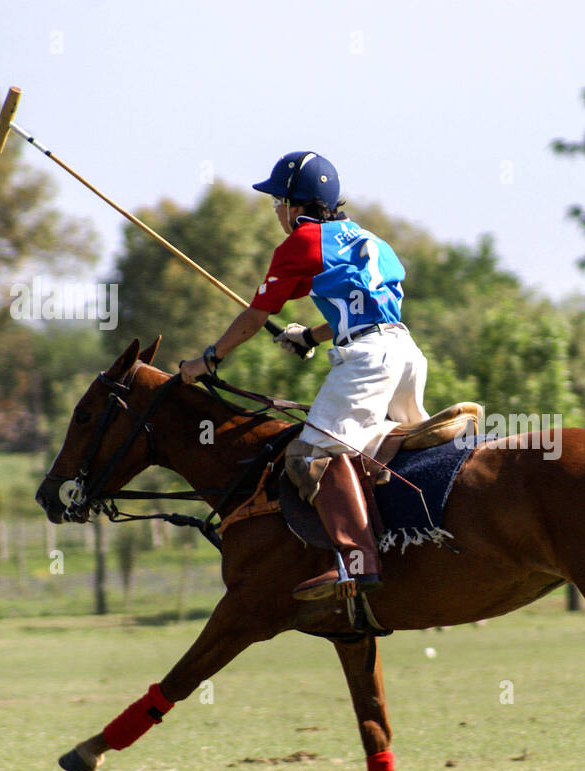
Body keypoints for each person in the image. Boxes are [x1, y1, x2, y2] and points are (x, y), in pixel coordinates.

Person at [179, 151, 429, 600]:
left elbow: (255, 317)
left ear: (297, 205)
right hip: (405, 352)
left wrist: (207, 360)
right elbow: (369, 308)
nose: (276, 210)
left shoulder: (302, 243)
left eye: (278, 201)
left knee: (309, 457)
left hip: (368, 360)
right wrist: (314, 336)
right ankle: (418, 539)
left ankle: (356, 564)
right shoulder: (374, 241)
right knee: (391, 445)